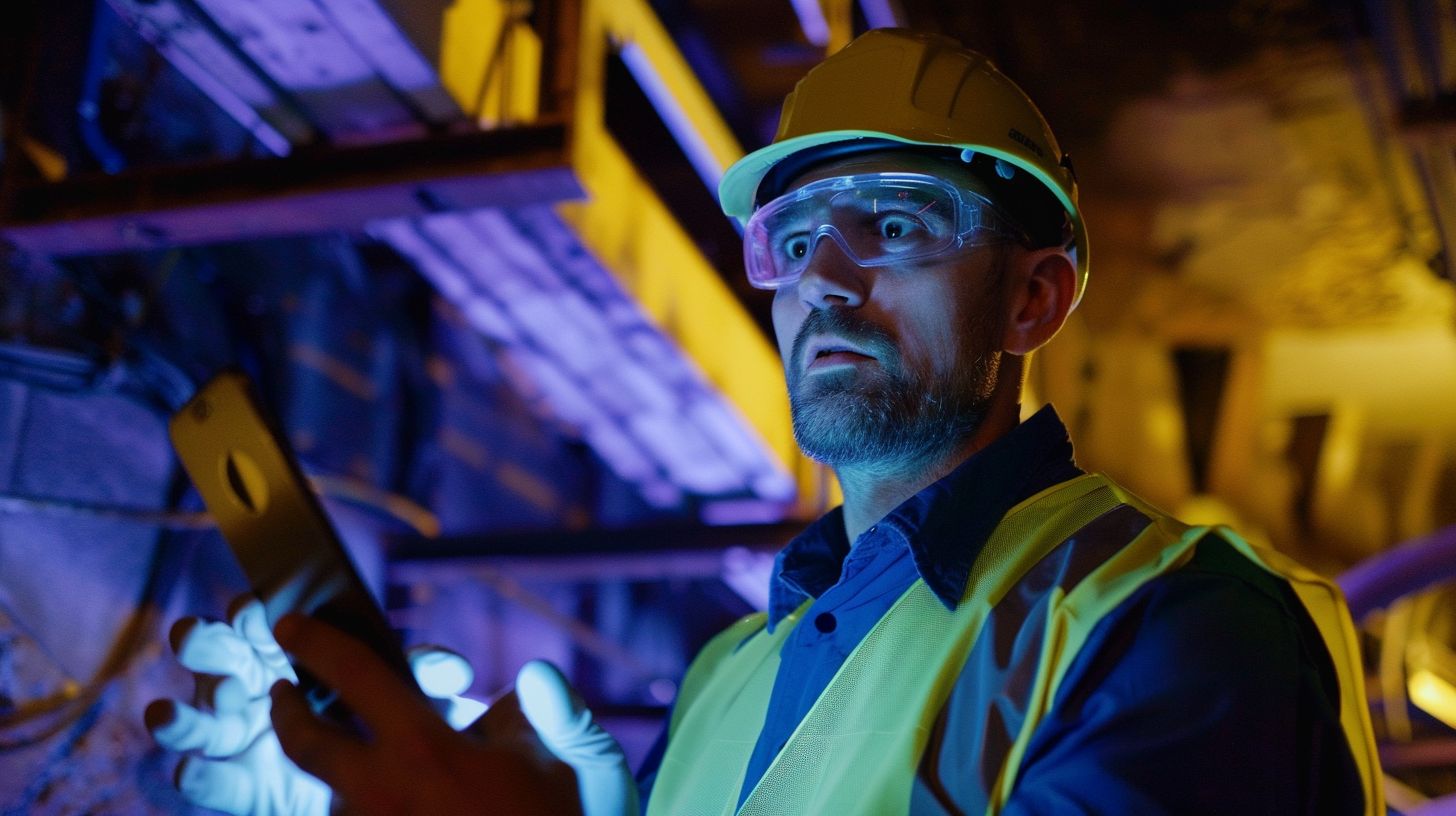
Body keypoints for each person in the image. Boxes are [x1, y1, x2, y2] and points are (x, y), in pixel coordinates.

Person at [149, 28, 1384, 815]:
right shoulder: (728, 675)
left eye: (893, 225)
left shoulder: (1173, 624)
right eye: (792, 241)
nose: (823, 280)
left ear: (1033, 298)